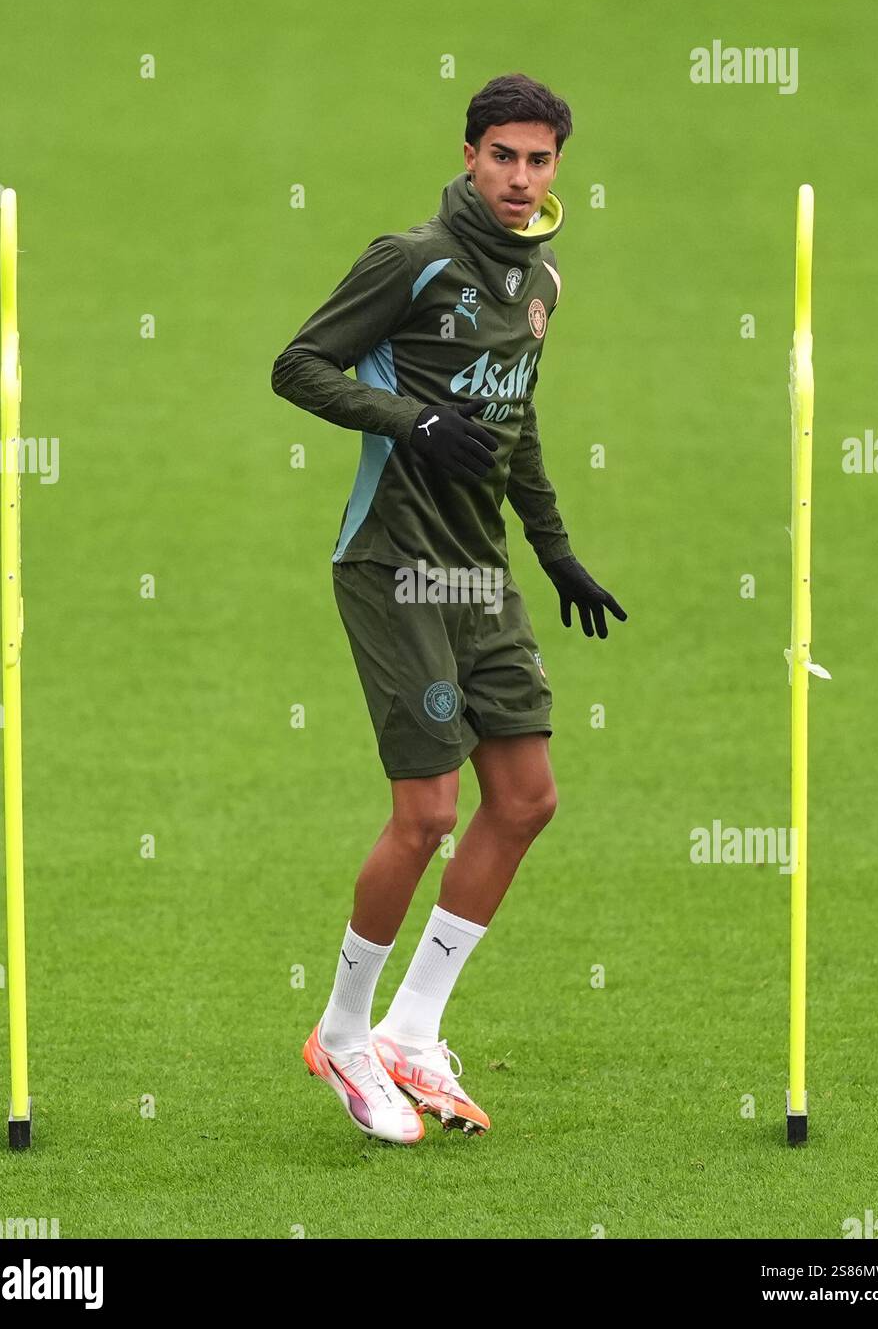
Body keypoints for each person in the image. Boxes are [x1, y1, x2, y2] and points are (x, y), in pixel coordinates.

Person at [271, 72, 627, 1144]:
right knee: (425, 816)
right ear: (469, 155)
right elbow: (297, 365)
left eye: (540, 158)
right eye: (503, 156)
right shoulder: (410, 259)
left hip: (479, 573)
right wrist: (412, 423)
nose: (521, 178)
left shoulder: (541, 284)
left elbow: (518, 430)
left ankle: (412, 1031)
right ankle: (341, 1031)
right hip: (392, 564)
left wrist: (557, 554)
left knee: (523, 799)